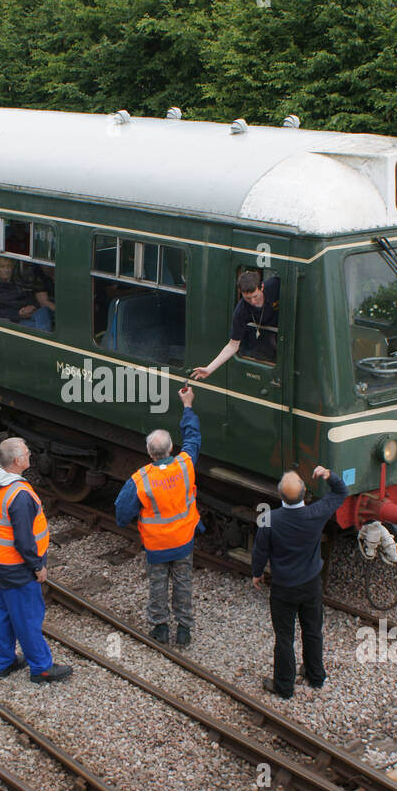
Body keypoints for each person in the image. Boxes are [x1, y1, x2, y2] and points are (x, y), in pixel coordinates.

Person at [251, 465, 349, 699]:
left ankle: (284, 687)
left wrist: (257, 573)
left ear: (279, 494)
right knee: (313, 630)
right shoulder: (316, 513)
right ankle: (316, 676)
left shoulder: (268, 519)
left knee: (284, 637)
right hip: (311, 584)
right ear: (305, 493)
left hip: (283, 588)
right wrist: (328, 476)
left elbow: (259, 550)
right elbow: (340, 493)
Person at [0, 437, 71, 684]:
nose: (30, 455)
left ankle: (5, 662)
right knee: (27, 617)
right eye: (28, 452)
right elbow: (23, 541)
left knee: (3, 612)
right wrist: (37, 567)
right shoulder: (19, 495)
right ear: (18, 460)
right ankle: (41, 668)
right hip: (17, 566)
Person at [115, 386, 201, 645]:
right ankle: (184, 630)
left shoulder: (140, 480)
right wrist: (187, 405)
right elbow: (193, 438)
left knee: (158, 585)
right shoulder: (186, 464)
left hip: (156, 545)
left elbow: (122, 512)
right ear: (171, 448)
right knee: (183, 583)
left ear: (150, 453)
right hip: (184, 541)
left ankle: (160, 628)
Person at [190, 267, 279, 379]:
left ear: (262, 287)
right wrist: (209, 368)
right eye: (247, 298)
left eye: (255, 296)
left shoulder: (275, 285)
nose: (253, 302)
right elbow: (232, 345)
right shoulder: (241, 311)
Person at [0, 256, 52, 330]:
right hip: (12, 320)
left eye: (9, 266)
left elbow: (29, 297)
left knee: (44, 311)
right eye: (3, 266)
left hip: (29, 314)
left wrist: (32, 307)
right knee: (42, 328)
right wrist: (18, 313)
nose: (7, 270)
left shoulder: (17, 282)